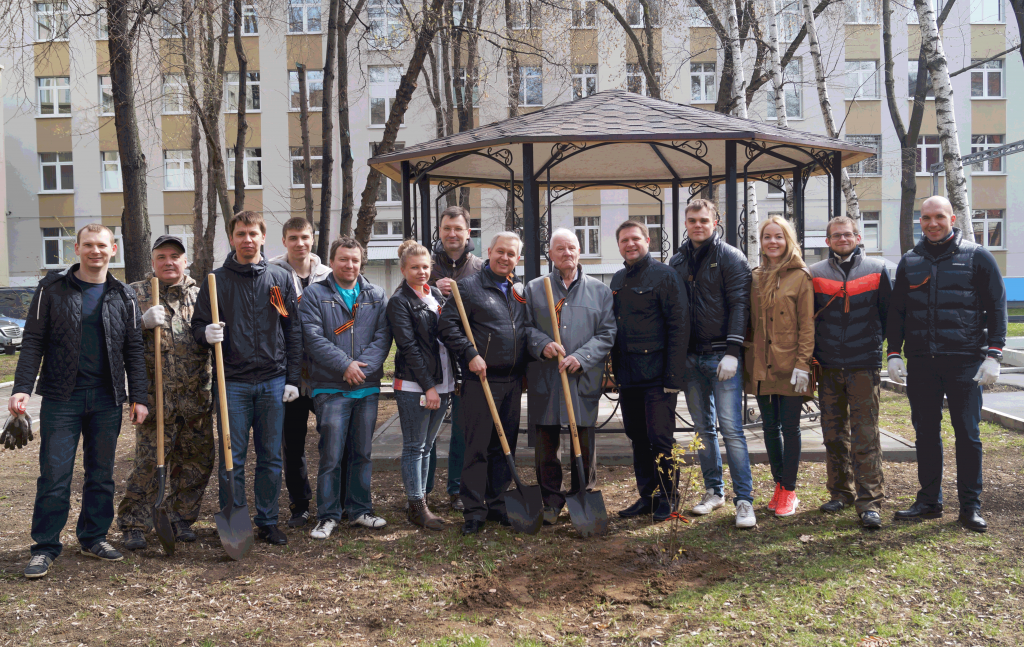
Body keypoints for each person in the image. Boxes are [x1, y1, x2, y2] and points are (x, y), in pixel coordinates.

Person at [10, 224, 148, 579]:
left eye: (101, 245)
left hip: (107, 399)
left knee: (101, 475)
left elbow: (134, 350)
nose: (95, 251)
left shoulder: (124, 295)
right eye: (88, 245)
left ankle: (93, 537)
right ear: (77, 249)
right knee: (55, 475)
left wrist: (139, 397)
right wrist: (21, 387)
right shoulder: (52, 289)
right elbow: (33, 342)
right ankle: (44, 547)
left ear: (113, 249)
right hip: (61, 397)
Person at [887, 196, 1007, 533]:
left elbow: (997, 307)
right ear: (919, 221)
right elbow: (898, 312)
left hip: (965, 362)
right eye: (926, 218)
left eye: (939, 216)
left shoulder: (977, 256)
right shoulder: (910, 262)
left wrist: (994, 354)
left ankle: (970, 507)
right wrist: (894, 352)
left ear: (952, 218)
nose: (933, 223)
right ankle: (929, 501)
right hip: (923, 362)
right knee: (926, 434)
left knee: (968, 436)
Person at [192, 211, 302, 546]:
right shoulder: (216, 281)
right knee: (233, 457)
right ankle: (235, 520)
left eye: (253, 233)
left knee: (270, 456)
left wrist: (292, 378)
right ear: (232, 238)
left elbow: (292, 328)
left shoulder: (279, 279)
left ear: (263, 237)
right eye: (241, 234)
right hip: (233, 383)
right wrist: (205, 334)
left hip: (272, 380)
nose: (247, 240)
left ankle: (267, 520)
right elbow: (198, 326)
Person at [117, 234, 216, 549]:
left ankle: (180, 519)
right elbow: (113, 339)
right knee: (148, 463)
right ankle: (134, 524)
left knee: (197, 462)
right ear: (153, 262)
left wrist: (214, 333)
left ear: (185, 261)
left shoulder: (204, 295)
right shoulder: (134, 294)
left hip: (196, 398)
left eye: (175, 256)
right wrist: (139, 323)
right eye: (162, 256)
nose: (169, 262)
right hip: (155, 399)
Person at [668, 199, 756, 529]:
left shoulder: (731, 257)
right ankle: (713, 491)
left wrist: (734, 350)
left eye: (704, 219)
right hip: (691, 359)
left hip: (723, 356)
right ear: (686, 222)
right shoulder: (677, 261)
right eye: (692, 220)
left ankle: (744, 499)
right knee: (703, 430)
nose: (698, 225)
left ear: (715, 221)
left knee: (732, 430)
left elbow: (740, 305)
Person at [300, 236, 392, 539]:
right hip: (331, 388)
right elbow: (312, 338)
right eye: (343, 259)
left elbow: (383, 336)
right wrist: (345, 365)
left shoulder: (376, 294)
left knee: (362, 453)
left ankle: (360, 510)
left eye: (355, 259)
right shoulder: (315, 294)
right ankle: (328, 515)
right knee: (331, 455)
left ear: (361, 260)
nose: (350, 265)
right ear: (332, 261)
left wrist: (361, 368)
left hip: (366, 389)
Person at [438, 231, 529, 535]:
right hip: (481, 380)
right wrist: (470, 353)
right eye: (500, 251)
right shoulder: (468, 287)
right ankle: (474, 510)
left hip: (512, 381)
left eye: (511, 254)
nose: (505, 258)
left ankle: (498, 503)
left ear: (518, 258)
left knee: (504, 446)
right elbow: (447, 325)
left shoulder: (518, 292)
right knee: (477, 446)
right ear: (489, 251)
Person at [524, 229, 616, 524]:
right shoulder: (534, 289)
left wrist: (582, 356)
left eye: (572, 248)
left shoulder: (599, 291)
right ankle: (551, 499)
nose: (567, 253)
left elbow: (607, 333)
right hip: (547, 377)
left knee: (584, 441)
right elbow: (523, 328)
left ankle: (581, 493)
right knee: (546, 441)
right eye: (560, 249)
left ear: (579, 252)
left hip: (582, 377)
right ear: (550, 254)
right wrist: (541, 343)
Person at [809, 216, 891, 530]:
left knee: (865, 435)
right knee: (832, 433)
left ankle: (869, 502)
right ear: (827, 241)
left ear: (858, 237)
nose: (842, 239)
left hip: (863, 364)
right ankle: (840, 492)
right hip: (828, 365)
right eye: (836, 235)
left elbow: (886, 314)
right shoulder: (815, 274)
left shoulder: (877, 269)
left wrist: (877, 348)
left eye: (848, 234)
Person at [610, 220, 689, 522]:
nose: (630, 244)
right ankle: (648, 497)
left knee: (660, 439)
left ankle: (669, 498)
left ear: (647, 240)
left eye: (635, 239)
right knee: (637, 438)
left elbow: (679, 327)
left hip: (658, 377)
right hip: (629, 376)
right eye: (624, 240)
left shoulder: (665, 276)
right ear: (619, 245)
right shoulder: (618, 280)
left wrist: (673, 377)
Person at [745, 216, 814, 518]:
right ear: (761, 242)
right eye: (767, 237)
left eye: (778, 237)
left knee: (790, 427)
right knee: (769, 427)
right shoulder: (755, 276)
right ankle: (778, 484)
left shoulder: (801, 276)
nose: (772, 242)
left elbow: (807, 325)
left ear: (788, 240)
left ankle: (790, 490)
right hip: (762, 364)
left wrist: (803, 364)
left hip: (790, 365)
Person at [387, 240, 458, 530]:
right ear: (403, 270)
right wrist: (428, 386)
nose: (421, 272)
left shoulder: (437, 296)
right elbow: (409, 347)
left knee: (427, 446)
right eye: (414, 267)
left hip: (443, 383)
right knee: (415, 446)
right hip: (415, 386)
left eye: (426, 266)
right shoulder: (399, 302)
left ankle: (422, 500)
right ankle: (416, 505)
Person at [268, 217, 333, 529]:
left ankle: (332, 502)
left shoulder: (328, 275)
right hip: (288, 374)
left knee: (331, 439)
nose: (300, 243)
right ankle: (300, 505)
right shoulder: (271, 273)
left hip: (323, 373)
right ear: (284, 241)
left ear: (313, 239)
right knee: (292, 444)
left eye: (305, 237)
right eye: (293, 238)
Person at [426, 205, 484, 512]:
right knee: (429, 430)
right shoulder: (425, 265)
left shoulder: (479, 268)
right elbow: (402, 302)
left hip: (464, 358)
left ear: (468, 232)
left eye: (458, 229)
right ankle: (423, 491)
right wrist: (430, 288)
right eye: (447, 228)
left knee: (463, 427)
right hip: (430, 361)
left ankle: (457, 489)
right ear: (440, 230)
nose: (452, 234)